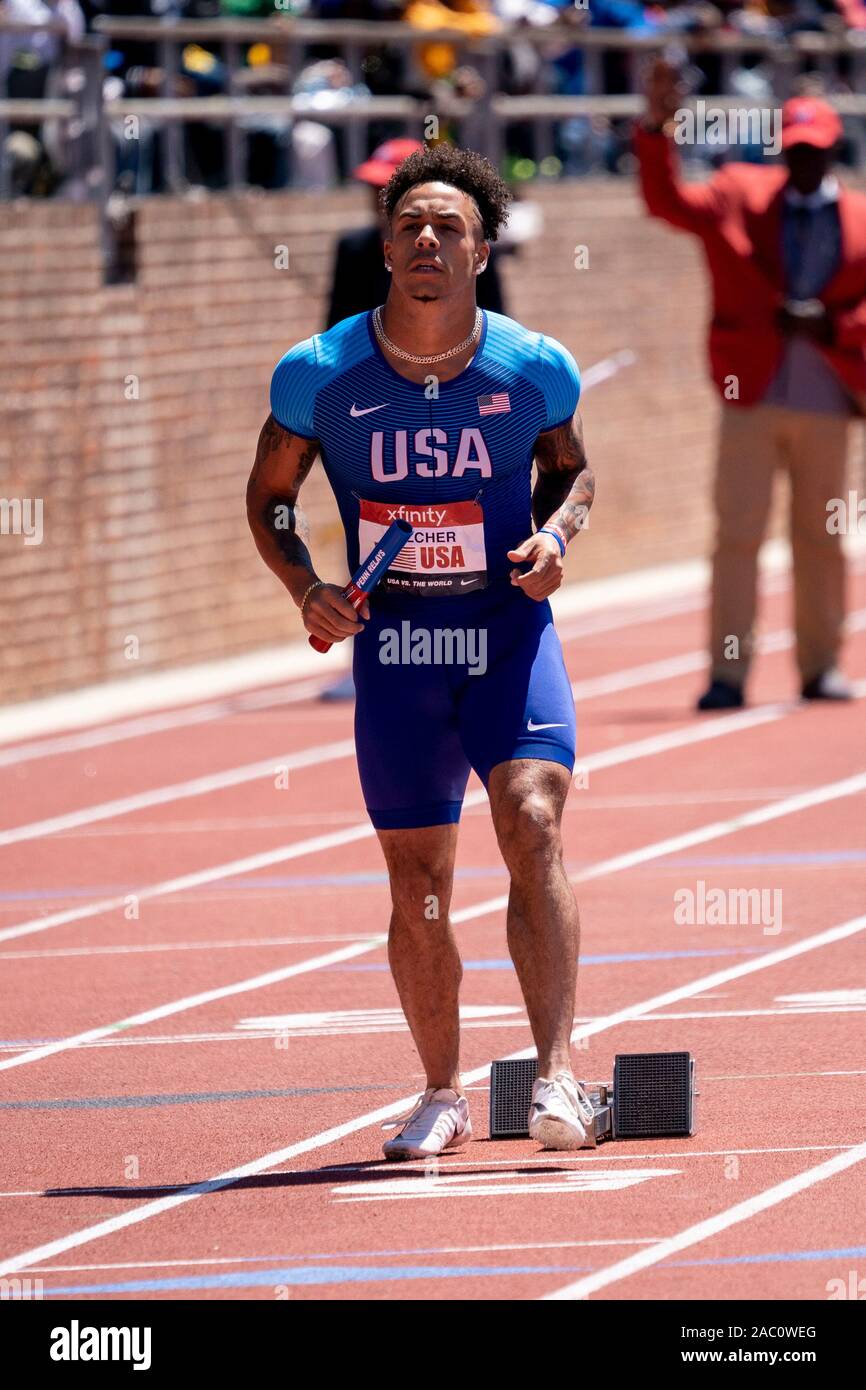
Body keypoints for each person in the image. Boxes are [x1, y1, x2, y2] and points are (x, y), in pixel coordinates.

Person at [247, 143, 596, 1158]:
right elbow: (270, 497)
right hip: (396, 646)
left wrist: (553, 538)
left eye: (448, 227)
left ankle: (559, 1077)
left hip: (502, 631)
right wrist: (306, 583)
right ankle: (440, 1089)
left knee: (531, 818)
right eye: (409, 226)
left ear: (481, 250)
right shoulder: (318, 373)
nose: (427, 241)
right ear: (386, 248)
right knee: (417, 879)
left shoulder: (533, 365)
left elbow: (572, 474)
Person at [636, 64, 866, 709]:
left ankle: (821, 668)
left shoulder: (860, 217)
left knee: (820, 539)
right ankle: (728, 674)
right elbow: (666, 201)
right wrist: (658, 128)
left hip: (828, 401)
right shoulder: (739, 194)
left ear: (833, 152)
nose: (804, 165)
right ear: (781, 150)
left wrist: (833, 322)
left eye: (816, 153)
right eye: (794, 152)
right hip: (750, 399)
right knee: (737, 535)